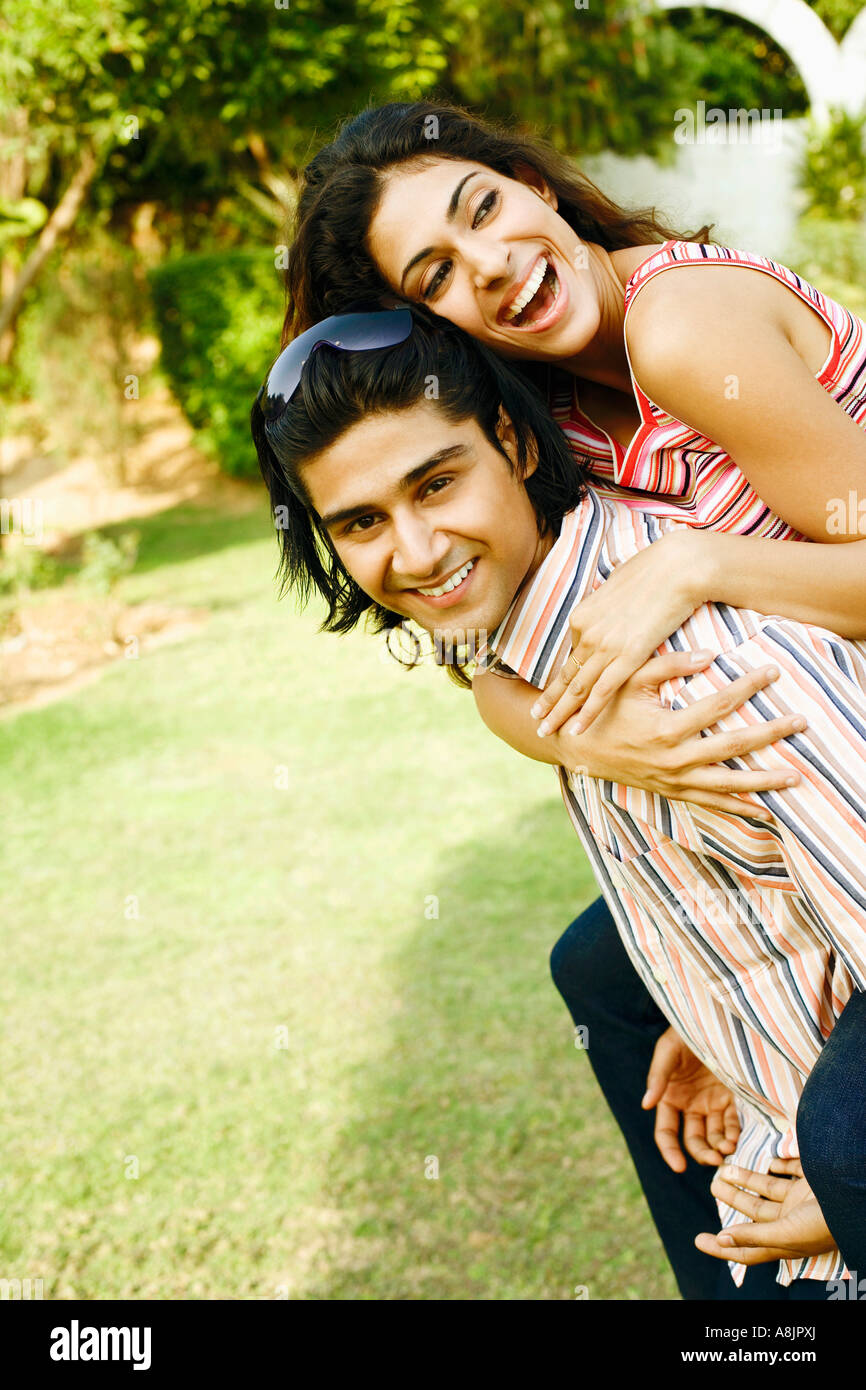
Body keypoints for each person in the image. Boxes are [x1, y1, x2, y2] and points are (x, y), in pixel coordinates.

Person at [275, 100, 866, 1296]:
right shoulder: (560, 416)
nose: (489, 266)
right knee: (609, 976)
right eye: (434, 271)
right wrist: (714, 1006)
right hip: (832, 720)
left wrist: (698, 561)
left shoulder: (679, 331)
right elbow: (495, 661)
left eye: (482, 208)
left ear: (533, 183)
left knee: (843, 1142)